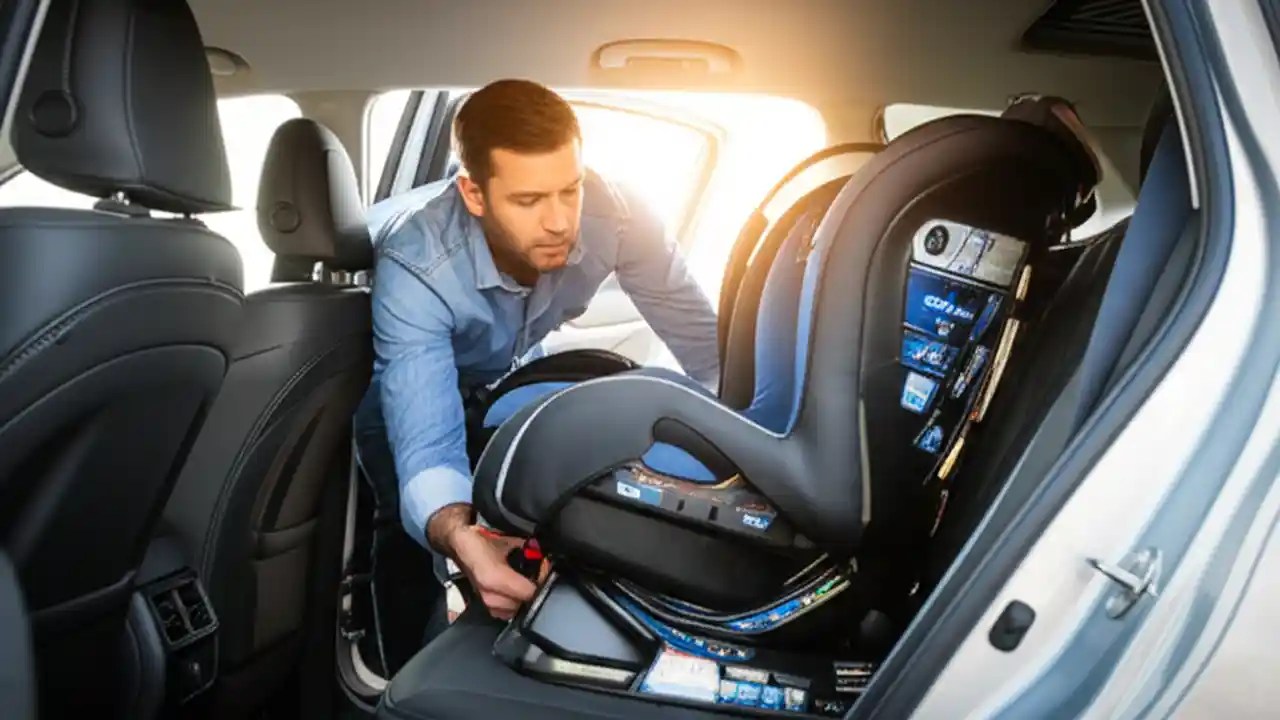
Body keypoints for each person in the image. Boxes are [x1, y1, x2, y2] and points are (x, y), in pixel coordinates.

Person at [353, 79, 720, 625]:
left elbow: (707, 350)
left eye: (568, 190)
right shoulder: (417, 267)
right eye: (527, 200)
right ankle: (406, 675)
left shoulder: (616, 216)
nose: (558, 221)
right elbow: (429, 450)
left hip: (512, 369)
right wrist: (458, 533)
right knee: (415, 536)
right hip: (415, 390)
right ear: (474, 194)